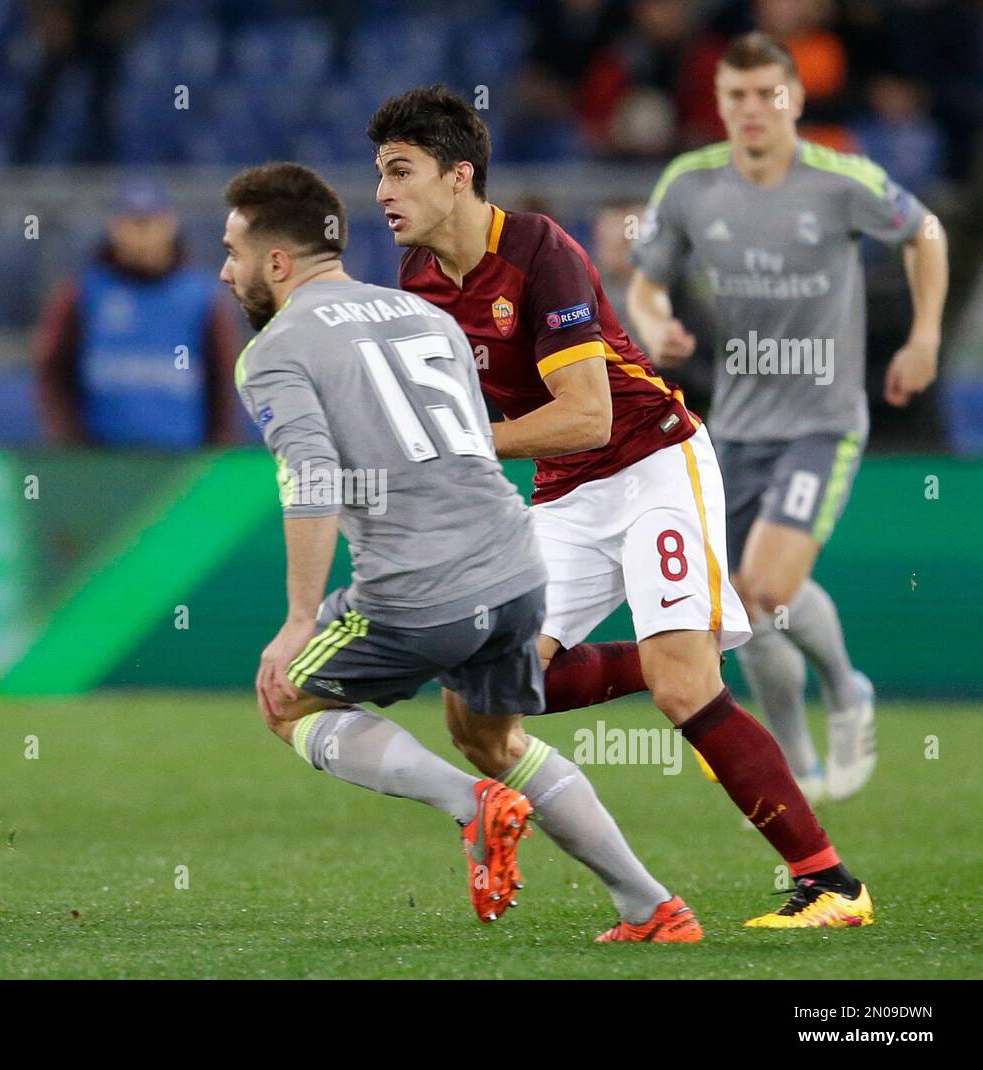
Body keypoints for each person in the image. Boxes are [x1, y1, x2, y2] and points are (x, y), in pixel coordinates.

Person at [369, 83, 872, 928]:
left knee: (686, 692)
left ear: (459, 176)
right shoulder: (419, 278)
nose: (382, 193)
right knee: (484, 695)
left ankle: (831, 885)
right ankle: (658, 671)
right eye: (380, 173)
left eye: (399, 171)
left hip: (652, 465)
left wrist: (457, 445)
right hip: (565, 493)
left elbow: (587, 415)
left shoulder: (538, 250)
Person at [225, 161, 698, 940]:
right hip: (515, 567)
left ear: (277, 262)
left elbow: (310, 477)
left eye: (233, 251)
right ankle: (653, 907)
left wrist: (298, 619)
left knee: (287, 699)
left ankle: (468, 807)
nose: (225, 269)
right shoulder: (423, 315)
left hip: (418, 588)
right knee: (492, 737)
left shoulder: (276, 350)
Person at [627, 32, 948, 804]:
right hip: (733, 428)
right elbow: (645, 284)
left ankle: (847, 689)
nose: (752, 110)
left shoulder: (839, 181)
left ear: (796, 100)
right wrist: (656, 320)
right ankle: (797, 768)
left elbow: (926, 233)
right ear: (720, 103)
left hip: (822, 420)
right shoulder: (690, 186)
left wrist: (927, 335)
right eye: (737, 96)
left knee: (766, 586)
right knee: (742, 605)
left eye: (769, 94)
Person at [35, 180, 241, 448]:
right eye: (132, 224)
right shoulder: (82, 293)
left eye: (151, 223)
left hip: (183, 461)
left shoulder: (202, 297)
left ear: (170, 225)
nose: (142, 235)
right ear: (114, 227)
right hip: (98, 461)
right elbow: (54, 372)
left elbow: (222, 379)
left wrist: (219, 447)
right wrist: (70, 442)